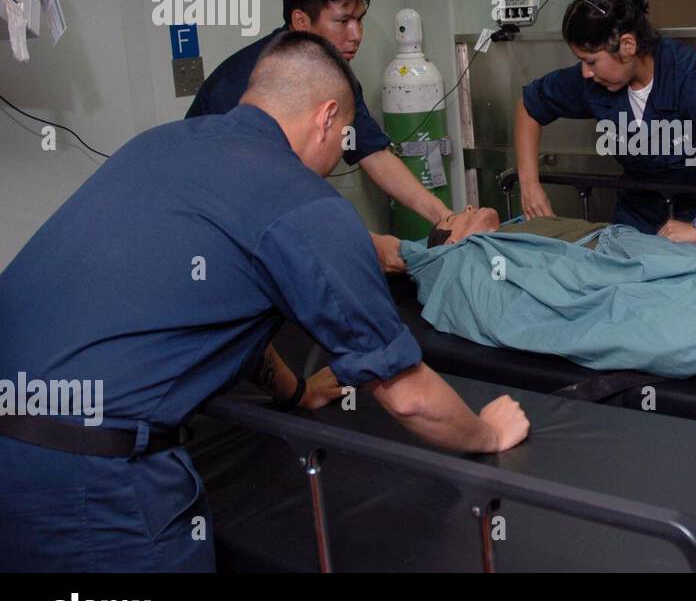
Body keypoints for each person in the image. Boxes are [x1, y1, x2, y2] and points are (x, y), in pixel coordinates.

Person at [0, 32, 528, 572]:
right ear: (326, 118)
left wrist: (296, 390)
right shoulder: (303, 203)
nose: (339, 156)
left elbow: (209, 307)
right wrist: (487, 432)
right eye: (345, 136)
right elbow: (406, 394)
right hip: (89, 478)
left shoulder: (156, 145)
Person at [187, 0, 451, 273]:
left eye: (360, 20)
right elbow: (262, 198)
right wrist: (362, 242)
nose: (356, 34)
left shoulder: (335, 74)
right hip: (215, 232)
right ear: (301, 21)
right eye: (342, 21)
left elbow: (373, 153)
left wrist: (442, 215)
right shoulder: (249, 84)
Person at [515, 0, 696, 246]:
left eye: (591, 61)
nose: (585, 72)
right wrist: (529, 185)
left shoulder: (691, 78)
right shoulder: (592, 83)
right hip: (636, 228)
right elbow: (529, 106)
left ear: (627, 45)